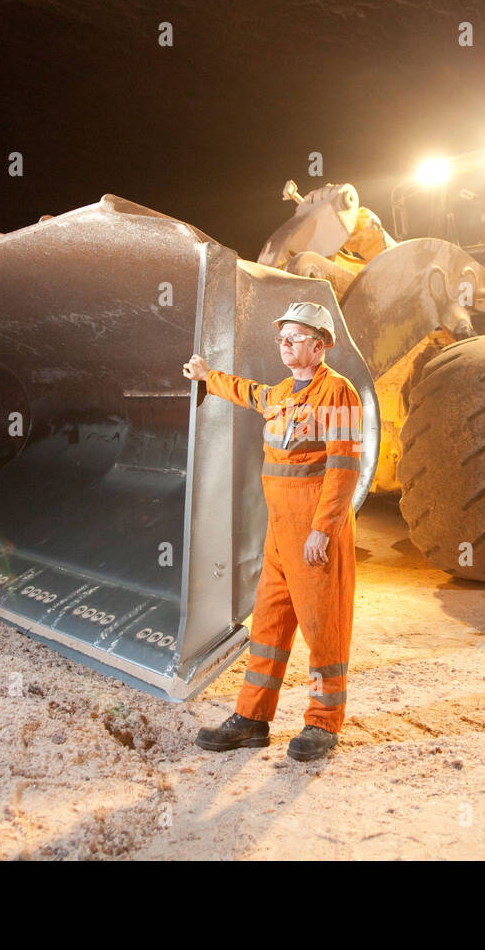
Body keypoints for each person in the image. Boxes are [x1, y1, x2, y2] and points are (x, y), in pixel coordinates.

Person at [181, 301, 362, 761]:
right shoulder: (282, 393)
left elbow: (343, 468)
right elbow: (247, 391)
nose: (284, 343)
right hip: (280, 536)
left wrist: (323, 530)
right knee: (268, 626)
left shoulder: (338, 394)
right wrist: (206, 375)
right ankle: (252, 718)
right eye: (281, 337)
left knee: (324, 628)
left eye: (295, 337)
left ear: (319, 346)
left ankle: (322, 722)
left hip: (316, 536)